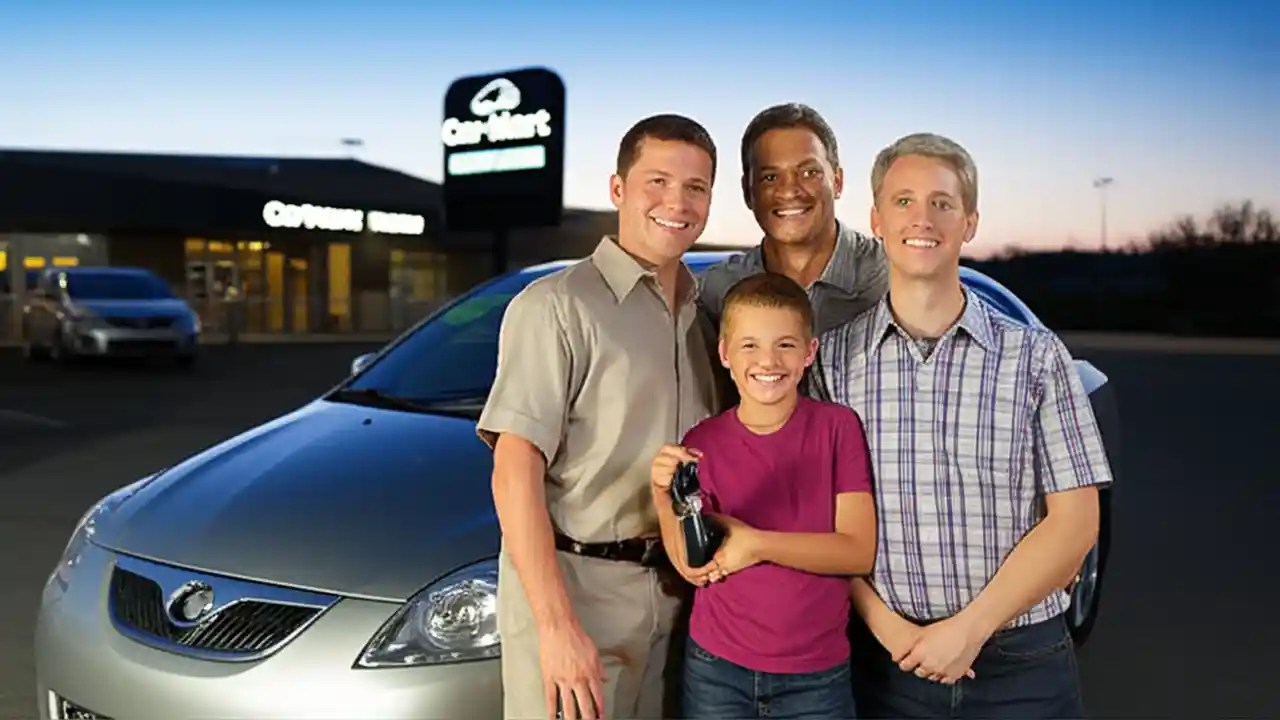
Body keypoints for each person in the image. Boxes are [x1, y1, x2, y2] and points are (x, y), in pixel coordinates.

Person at [817, 132, 1114, 718]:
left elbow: (1077, 524)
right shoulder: (830, 362)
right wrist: (889, 629)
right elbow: (819, 523)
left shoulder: (1036, 358)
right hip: (885, 666)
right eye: (902, 201)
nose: (921, 218)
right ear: (876, 219)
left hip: (1023, 664)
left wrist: (969, 630)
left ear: (970, 221)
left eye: (942, 203)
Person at [477, 113, 726, 720]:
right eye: (658, 181)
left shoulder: (707, 315)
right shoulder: (556, 306)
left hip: (677, 597)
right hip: (576, 593)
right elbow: (514, 472)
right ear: (618, 189)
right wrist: (557, 628)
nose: (677, 202)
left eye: (696, 187)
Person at [650, 271, 878, 720]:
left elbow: (857, 552)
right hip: (719, 669)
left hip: (817, 674)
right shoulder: (703, 442)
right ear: (725, 354)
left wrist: (753, 543)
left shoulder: (837, 428)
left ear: (810, 352)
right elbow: (695, 568)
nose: (768, 360)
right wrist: (662, 494)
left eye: (786, 345)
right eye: (750, 345)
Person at [698, 102, 888, 339]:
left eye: (809, 173)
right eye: (770, 177)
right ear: (748, 193)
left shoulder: (892, 276)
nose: (789, 191)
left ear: (837, 182)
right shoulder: (716, 292)